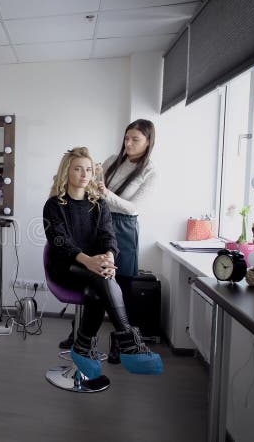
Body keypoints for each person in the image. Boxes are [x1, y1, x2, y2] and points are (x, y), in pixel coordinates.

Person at [43, 147, 162, 379]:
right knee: (101, 277)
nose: (84, 174)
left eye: (88, 169)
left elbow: (109, 237)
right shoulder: (54, 205)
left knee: (97, 287)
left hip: (94, 266)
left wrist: (108, 256)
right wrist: (89, 261)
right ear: (67, 172)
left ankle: (83, 347)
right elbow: (60, 242)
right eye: (78, 169)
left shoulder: (98, 203)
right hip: (64, 266)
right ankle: (127, 341)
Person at [95, 119, 157, 362]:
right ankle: (83, 334)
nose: (128, 143)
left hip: (124, 227)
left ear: (148, 142)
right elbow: (95, 189)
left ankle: (121, 342)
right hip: (100, 222)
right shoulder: (113, 160)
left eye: (135, 139)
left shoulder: (150, 171)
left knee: (122, 285)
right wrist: (94, 176)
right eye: (126, 138)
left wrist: (106, 193)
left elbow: (133, 208)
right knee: (97, 279)